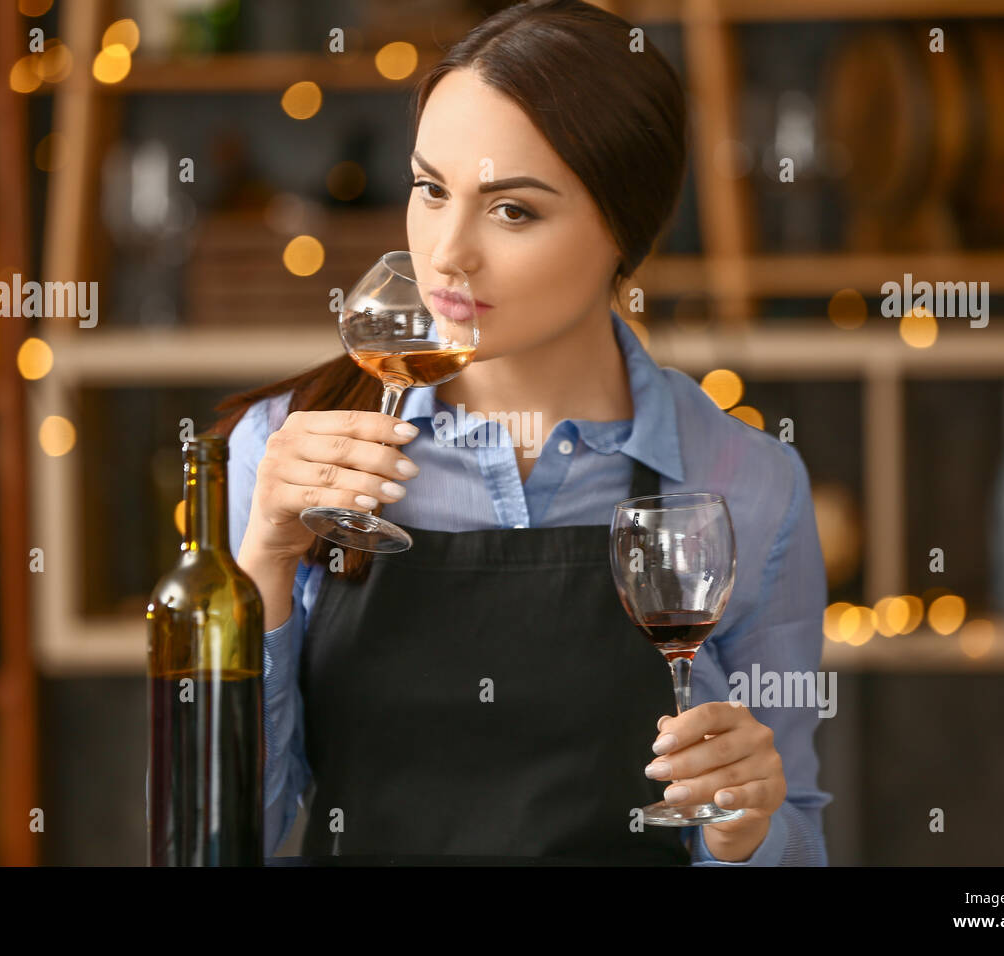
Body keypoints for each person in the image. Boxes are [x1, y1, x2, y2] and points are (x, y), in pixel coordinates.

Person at [215, 0, 831, 865]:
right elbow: (221, 839)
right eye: (432, 190)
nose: (445, 255)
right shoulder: (283, 452)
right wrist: (266, 564)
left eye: (512, 212)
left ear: (625, 231)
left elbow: (795, 836)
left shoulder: (749, 485)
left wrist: (746, 831)